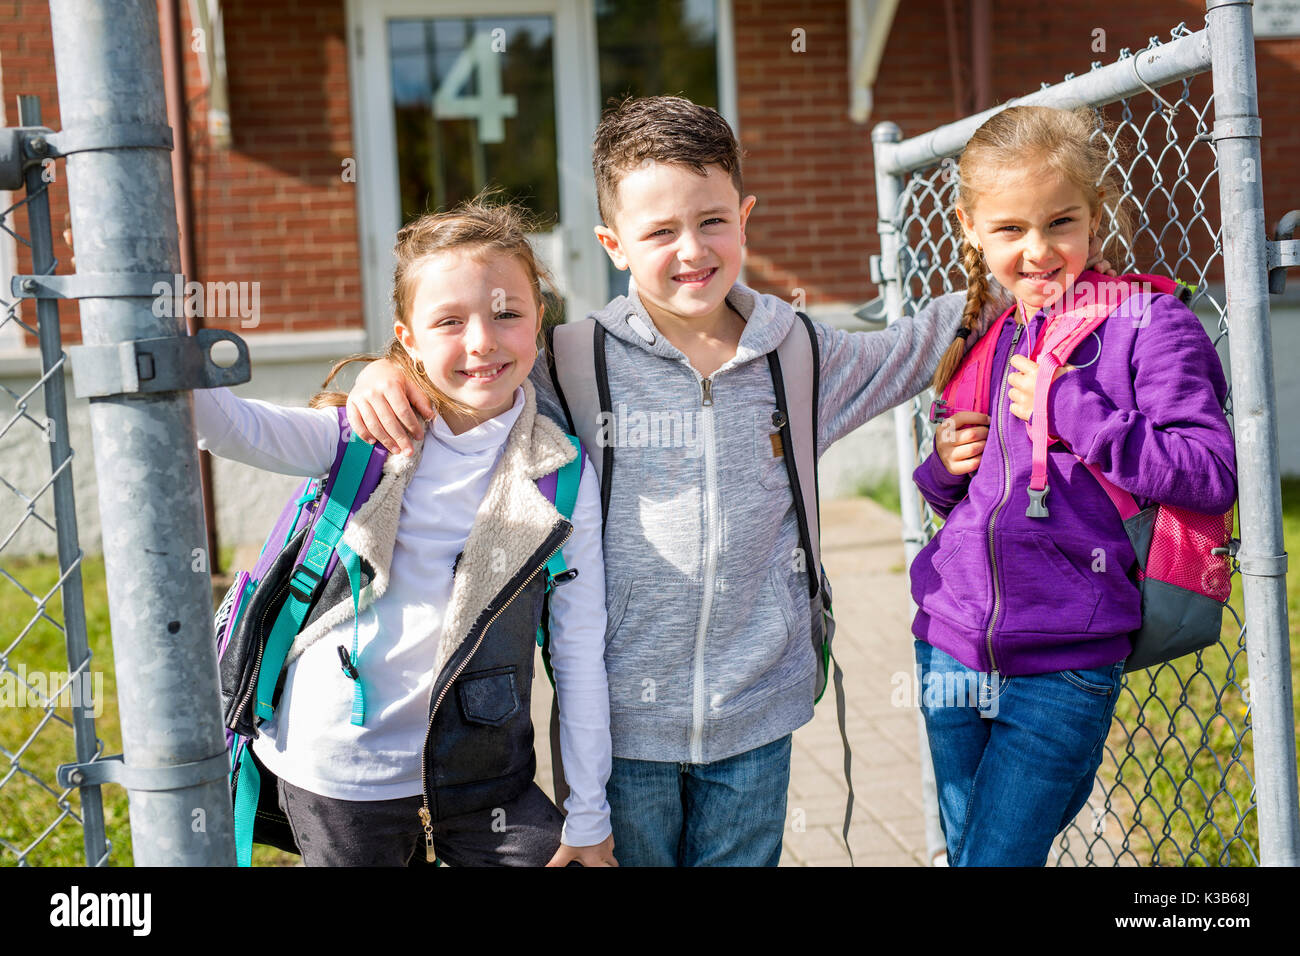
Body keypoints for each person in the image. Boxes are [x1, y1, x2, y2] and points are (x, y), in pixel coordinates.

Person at [345, 95, 973, 866]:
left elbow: (916, 345)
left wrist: (1026, 272)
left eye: (712, 221)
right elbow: (464, 381)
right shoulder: (570, 364)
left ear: (744, 215)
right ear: (614, 244)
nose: (691, 250)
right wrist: (387, 367)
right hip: (617, 731)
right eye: (659, 232)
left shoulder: (800, 355)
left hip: (757, 720)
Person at [196, 200, 617, 867]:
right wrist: (153, 308)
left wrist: (589, 813)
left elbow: (578, 649)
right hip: (339, 773)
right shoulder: (360, 436)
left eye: (507, 313)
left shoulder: (561, 474)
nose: (482, 341)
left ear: (539, 322)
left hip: (482, 779)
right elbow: (230, 428)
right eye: (449, 321)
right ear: (407, 337)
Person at [910, 105, 1237, 866]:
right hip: (950, 648)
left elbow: (1209, 473)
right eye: (1010, 230)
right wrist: (940, 468)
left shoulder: (1149, 325)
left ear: (1096, 216)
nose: (1036, 251)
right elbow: (969, 503)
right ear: (968, 226)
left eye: (1060, 222)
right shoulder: (994, 333)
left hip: (1065, 660)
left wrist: (1074, 409)